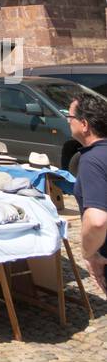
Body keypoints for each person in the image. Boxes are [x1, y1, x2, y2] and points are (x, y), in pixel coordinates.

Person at [69, 92, 107, 295]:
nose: (68, 121)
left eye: (70, 117)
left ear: (84, 124)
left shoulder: (91, 160)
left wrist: (90, 254)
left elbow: (96, 221)